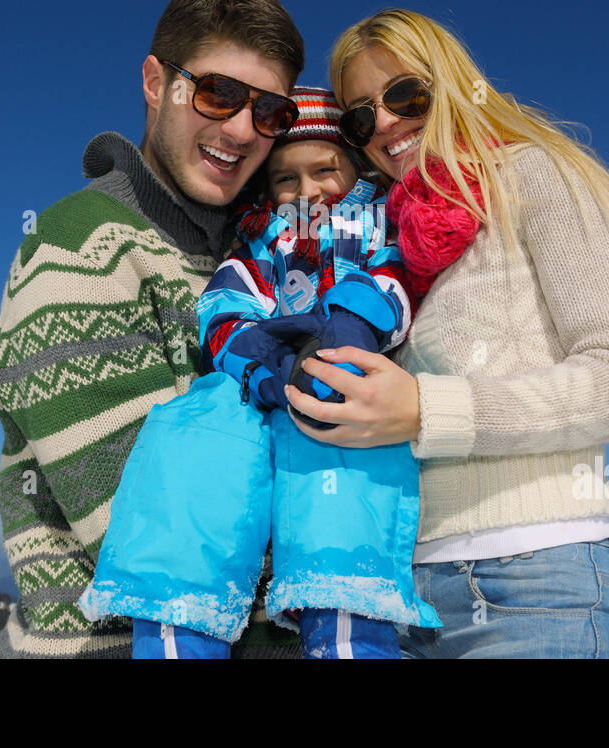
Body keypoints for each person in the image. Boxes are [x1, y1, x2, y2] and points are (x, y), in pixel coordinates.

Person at [283, 8, 609, 658]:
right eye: (359, 115)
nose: (383, 123)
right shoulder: (386, 243)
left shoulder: (536, 176)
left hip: (536, 584)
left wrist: (426, 410)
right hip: (401, 603)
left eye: (405, 93)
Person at [0, 0, 307, 657]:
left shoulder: (252, 264)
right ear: (156, 83)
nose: (242, 130)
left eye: (272, 112)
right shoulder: (81, 247)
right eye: (218, 93)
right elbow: (153, 526)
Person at [78, 87, 442, 658]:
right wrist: (253, 355)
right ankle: (178, 624)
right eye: (285, 179)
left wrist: (352, 324)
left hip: (340, 375)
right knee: (193, 445)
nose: (307, 190)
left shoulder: (376, 227)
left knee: (340, 477)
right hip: (257, 381)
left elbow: (394, 282)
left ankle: (348, 632)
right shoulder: (258, 240)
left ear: (357, 170)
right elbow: (224, 303)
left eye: (326, 170)